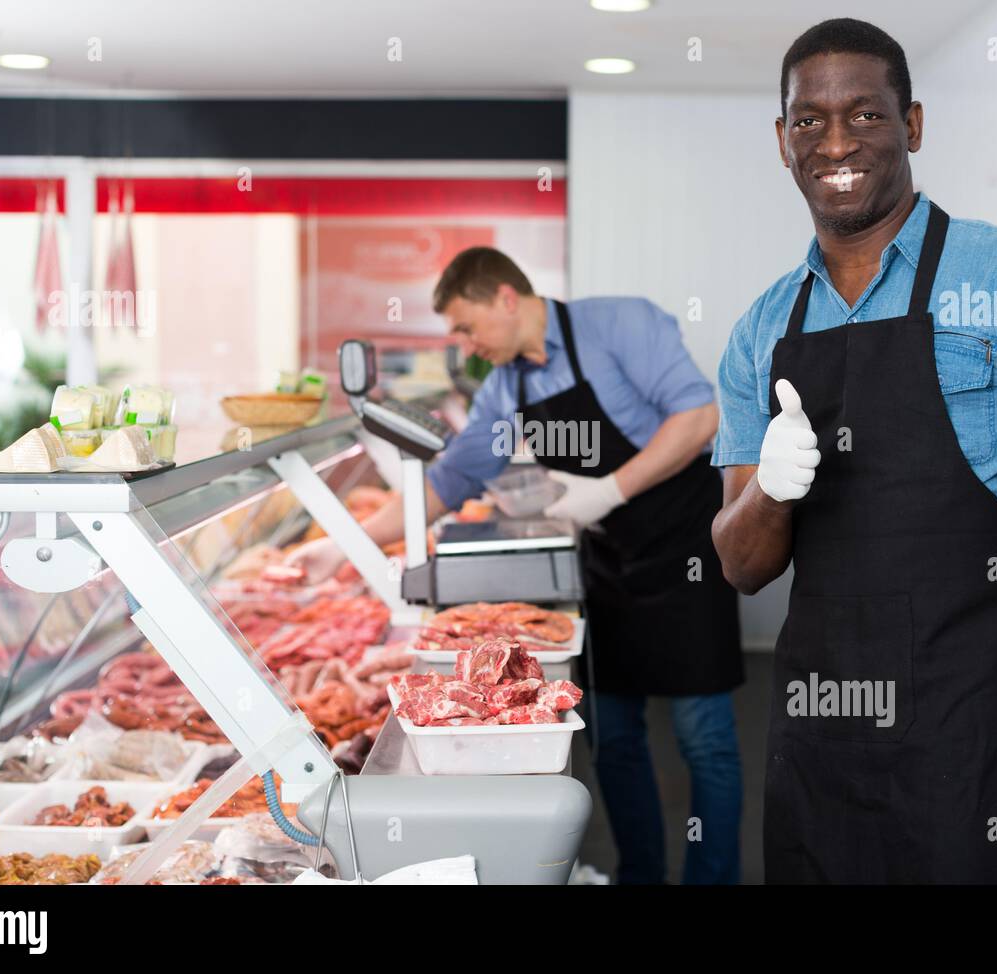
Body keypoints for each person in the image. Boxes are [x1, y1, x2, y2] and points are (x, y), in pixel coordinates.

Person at [711, 19, 997, 884]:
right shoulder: (762, 331)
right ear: (782, 140)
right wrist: (770, 490)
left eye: (866, 116)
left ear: (911, 125)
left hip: (974, 714)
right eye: (810, 121)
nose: (837, 142)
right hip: (822, 716)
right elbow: (739, 564)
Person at [291, 247, 746, 884]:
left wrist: (606, 490)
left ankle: (713, 877)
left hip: (685, 550)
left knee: (705, 741)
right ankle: (641, 874)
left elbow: (699, 417)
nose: (464, 342)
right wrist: (342, 543)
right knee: (613, 741)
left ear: (506, 297)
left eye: (466, 325)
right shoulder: (508, 384)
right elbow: (449, 480)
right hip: (608, 562)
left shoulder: (620, 324)